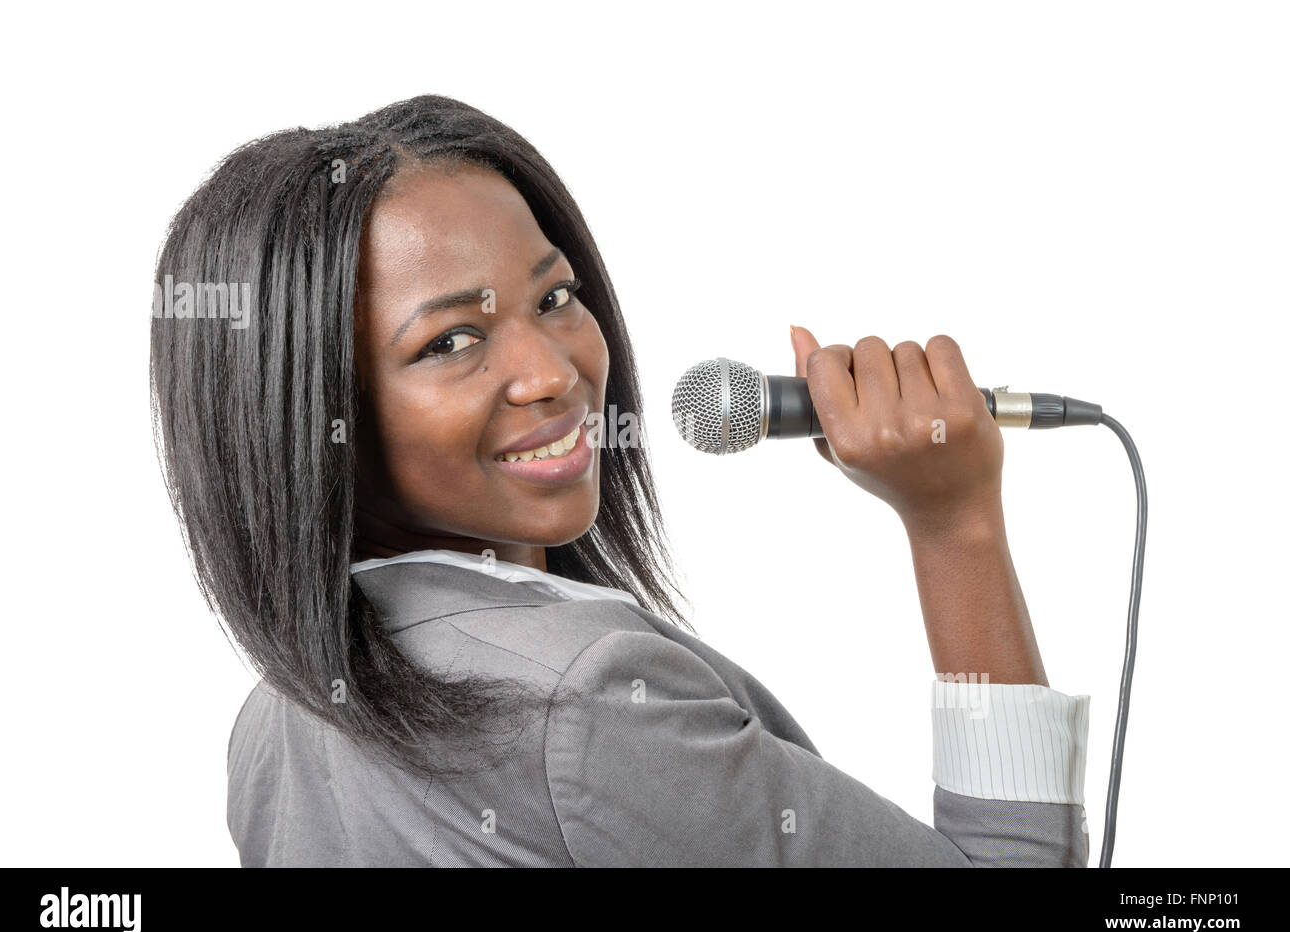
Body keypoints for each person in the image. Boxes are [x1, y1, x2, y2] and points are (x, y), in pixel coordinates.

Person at [151, 94, 1089, 866]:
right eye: (451, 341)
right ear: (309, 419)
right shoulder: (588, 702)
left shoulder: (275, 723)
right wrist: (955, 521)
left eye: (555, 298)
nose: (556, 370)